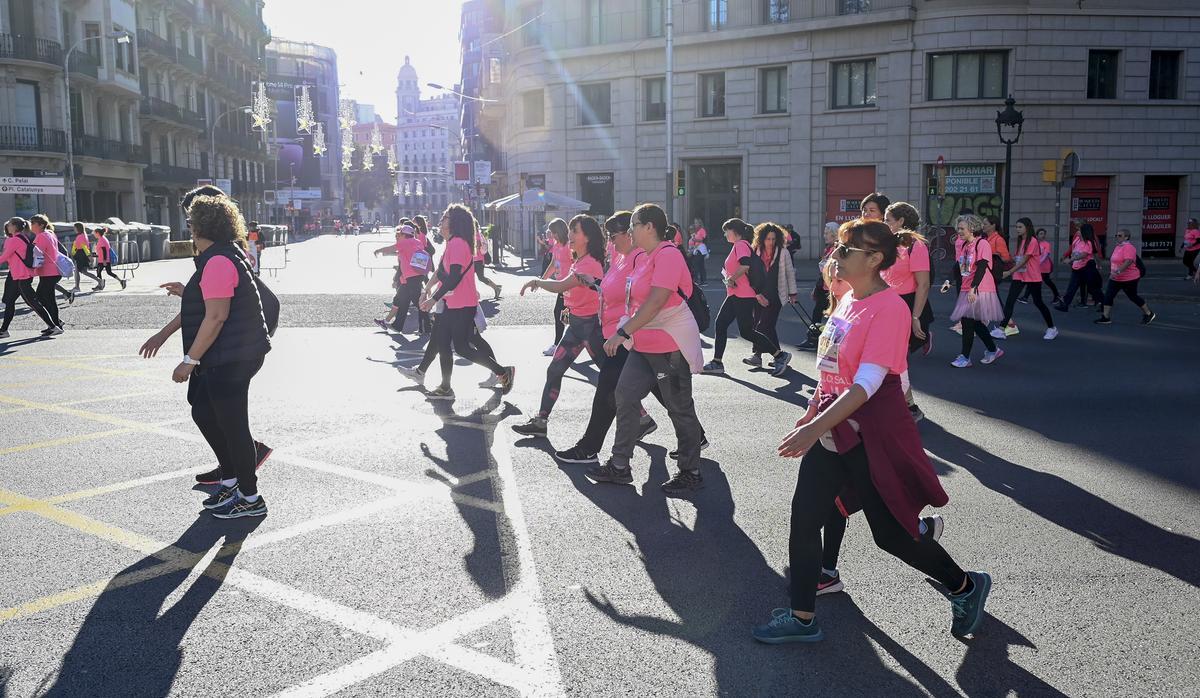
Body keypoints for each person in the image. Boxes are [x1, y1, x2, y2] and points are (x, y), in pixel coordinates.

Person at [753, 217, 990, 644]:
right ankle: (802, 616)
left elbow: (866, 386)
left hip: (869, 435)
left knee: (892, 536)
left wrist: (813, 429)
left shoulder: (890, 308)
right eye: (838, 248)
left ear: (875, 258)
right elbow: (831, 373)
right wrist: (813, 415)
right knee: (804, 519)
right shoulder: (847, 300)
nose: (835, 256)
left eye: (846, 250)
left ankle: (965, 587)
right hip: (834, 428)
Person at [138, 194, 272, 518]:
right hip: (231, 352)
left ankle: (250, 498)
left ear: (199, 226)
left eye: (190, 223)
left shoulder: (218, 261)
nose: (189, 229)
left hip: (233, 355)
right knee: (204, 412)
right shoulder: (219, 257)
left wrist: (189, 361)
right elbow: (207, 305)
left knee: (233, 425)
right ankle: (230, 481)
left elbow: (216, 317)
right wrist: (167, 328)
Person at [586, 203, 706, 496]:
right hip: (643, 345)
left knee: (679, 409)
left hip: (668, 347)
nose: (630, 231)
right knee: (624, 396)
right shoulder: (644, 258)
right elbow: (635, 301)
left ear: (649, 227)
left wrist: (622, 332)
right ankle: (619, 465)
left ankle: (690, 471)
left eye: (634, 226)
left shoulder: (668, 255)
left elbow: (656, 301)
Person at [554, 211, 682, 464]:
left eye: (614, 235)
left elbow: (649, 299)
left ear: (637, 231)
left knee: (612, 392)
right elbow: (616, 292)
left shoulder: (648, 257)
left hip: (633, 336)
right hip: (626, 335)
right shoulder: (624, 257)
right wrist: (596, 286)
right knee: (651, 391)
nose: (610, 241)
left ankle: (597, 452)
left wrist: (622, 332)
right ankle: (621, 459)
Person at [404, 205, 515, 399]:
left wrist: (433, 299)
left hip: (462, 304)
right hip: (452, 303)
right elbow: (440, 272)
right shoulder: (452, 243)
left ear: (454, 222)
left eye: (445, 217)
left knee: (462, 347)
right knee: (443, 343)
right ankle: (445, 386)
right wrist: (427, 289)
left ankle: (502, 371)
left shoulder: (457, 244)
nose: (441, 220)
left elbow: (454, 277)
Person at [512, 215, 608, 437]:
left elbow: (561, 285)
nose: (571, 235)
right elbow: (571, 289)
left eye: (576, 231)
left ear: (588, 237)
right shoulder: (580, 260)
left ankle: (642, 417)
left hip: (590, 327)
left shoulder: (590, 263)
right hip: (577, 326)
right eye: (571, 230)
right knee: (554, 370)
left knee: (613, 378)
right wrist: (569, 306)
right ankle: (541, 421)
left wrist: (536, 281)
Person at [702, 218, 791, 377]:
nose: (725, 234)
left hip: (742, 295)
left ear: (734, 231)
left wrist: (731, 279)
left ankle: (779, 355)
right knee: (727, 326)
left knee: (743, 331)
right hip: (738, 294)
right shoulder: (740, 245)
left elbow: (745, 265)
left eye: (726, 231)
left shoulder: (740, 245)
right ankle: (717, 361)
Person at [881, 202, 933, 420]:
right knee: (887, 358)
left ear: (901, 221)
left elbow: (923, 284)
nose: (884, 224)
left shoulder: (916, 245)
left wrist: (916, 317)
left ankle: (909, 408)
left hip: (907, 305)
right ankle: (903, 406)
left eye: (888, 220)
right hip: (886, 304)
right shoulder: (888, 243)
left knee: (894, 359)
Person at [949, 214, 1004, 368]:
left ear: (972, 228)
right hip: (968, 286)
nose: (958, 231)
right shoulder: (965, 245)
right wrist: (949, 280)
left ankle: (965, 357)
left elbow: (982, 267)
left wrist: (974, 288)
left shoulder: (983, 244)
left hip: (981, 288)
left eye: (961, 228)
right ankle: (993, 349)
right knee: (975, 323)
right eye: (958, 228)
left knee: (967, 322)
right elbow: (958, 266)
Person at [745, 222, 797, 372]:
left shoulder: (783, 252)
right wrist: (755, 292)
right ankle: (772, 357)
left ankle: (762, 355)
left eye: (773, 239)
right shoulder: (755, 251)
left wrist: (792, 293)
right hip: (758, 294)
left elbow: (790, 273)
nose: (771, 242)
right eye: (768, 239)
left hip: (776, 295)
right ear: (762, 238)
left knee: (763, 326)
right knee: (761, 326)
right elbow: (750, 273)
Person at [996, 218, 1058, 340]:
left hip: (1032, 277)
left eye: (1020, 227)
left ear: (1027, 228)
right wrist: (1006, 259)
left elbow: (1025, 260)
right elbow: (1018, 259)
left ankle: (1052, 328)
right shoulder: (1022, 241)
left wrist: (1009, 272)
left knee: (1038, 302)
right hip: (1020, 275)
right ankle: (1001, 329)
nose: (1017, 229)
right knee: (1010, 301)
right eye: (1016, 227)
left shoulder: (1033, 241)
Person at [0, 216, 60, 338]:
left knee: (32, 302)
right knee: (10, 301)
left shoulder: (14, 240)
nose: (8, 226)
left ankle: (53, 327)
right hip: (20, 275)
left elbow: (4, 257)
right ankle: (4, 330)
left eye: (10, 224)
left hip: (22, 276)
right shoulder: (23, 237)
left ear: (15, 227)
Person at [373, 224, 428, 333]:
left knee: (418, 303)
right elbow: (405, 253)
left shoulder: (404, 243)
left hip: (411, 278)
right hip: (414, 276)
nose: (398, 236)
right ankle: (397, 325)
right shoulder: (417, 242)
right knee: (401, 300)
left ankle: (428, 326)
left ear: (404, 235)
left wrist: (378, 250)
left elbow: (392, 248)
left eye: (400, 234)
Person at [1096, 229, 1156, 326]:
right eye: (1116, 235)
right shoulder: (1118, 247)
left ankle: (1149, 313)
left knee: (1133, 297)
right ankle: (1105, 317)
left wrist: (1118, 271)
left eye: (1119, 235)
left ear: (1126, 237)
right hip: (1115, 278)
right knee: (1108, 296)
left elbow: (1128, 261)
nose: (1117, 237)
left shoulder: (1129, 247)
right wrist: (1114, 273)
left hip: (1129, 278)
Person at [540, 219, 573, 354]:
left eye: (553, 232)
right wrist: (542, 280)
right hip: (562, 286)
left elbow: (576, 263)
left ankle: (559, 345)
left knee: (560, 312)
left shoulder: (569, 246)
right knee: (565, 314)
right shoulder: (557, 244)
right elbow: (553, 264)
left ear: (559, 231)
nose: (551, 236)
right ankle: (565, 343)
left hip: (569, 286)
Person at [1054, 223, 1103, 312]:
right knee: (1072, 287)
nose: (1078, 232)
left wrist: (1071, 259)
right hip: (1077, 267)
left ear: (1084, 231)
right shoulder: (1079, 241)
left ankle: (1104, 303)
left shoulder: (1089, 242)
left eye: (1080, 230)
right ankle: (1065, 305)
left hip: (1087, 267)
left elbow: (1084, 254)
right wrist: (1069, 259)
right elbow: (1074, 252)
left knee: (1093, 288)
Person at [30, 215, 66, 329]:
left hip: (48, 272)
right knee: (48, 298)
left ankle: (55, 324)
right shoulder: (50, 234)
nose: (31, 226)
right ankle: (56, 322)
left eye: (33, 223)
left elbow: (38, 255)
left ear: (41, 225)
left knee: (42, 298)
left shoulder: (40, 236)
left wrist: (32, 270)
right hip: (53, 271)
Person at [1019, 228, 1061, 305]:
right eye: (1041, 234)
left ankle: (1057, 295)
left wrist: (1038, 263)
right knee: (1031, 281)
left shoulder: (1046, 244)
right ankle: (1025, 297)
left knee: (1047, 281)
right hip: (1035, 267)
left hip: (1044, 267)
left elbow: (1045, 255)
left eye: (1044, 234)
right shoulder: (1035, 243)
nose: (1043, 235)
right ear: (1037, 235)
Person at [473, 222, 503, 300]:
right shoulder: (479, 234)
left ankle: (496, 288)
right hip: (477, 260)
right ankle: (496, 287)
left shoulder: (476, 235)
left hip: (477, 260)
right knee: (474, 277)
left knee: (480, 277)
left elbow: (477, 246)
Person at [69, 222, 101, 291]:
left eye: (75, 228)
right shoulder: (83, 235)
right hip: (81, 254)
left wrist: (89, 256)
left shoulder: (80, 236)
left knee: (82, 271)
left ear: (78, 228)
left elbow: (84, 247)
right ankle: (77, 286)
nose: (74, 229)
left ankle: (77, 287)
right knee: (79, 271)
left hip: (81, 255)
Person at [92, 226, 126, 291]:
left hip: (103, 260)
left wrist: (104, 260)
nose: (94, 235)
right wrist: (95, 255)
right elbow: (102, 251)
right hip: (105, 259)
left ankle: (101, 285)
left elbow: (104, 250)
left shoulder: (101, 240)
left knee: (98, 272)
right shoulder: (103, 238)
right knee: (109, 272)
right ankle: (121, 281)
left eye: (94, 233)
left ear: (97, 233)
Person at [687, 218, 708, 285]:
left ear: (699, 223)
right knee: (700, 265)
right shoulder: (696, 231)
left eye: (696, 223)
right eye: (694, 223)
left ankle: (697, 280)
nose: (695, 224)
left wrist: (695, 239)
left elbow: (703, 240)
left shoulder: (702, 230)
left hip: (701, 249)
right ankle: (703, 281)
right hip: (696, 249)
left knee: (696, 264)